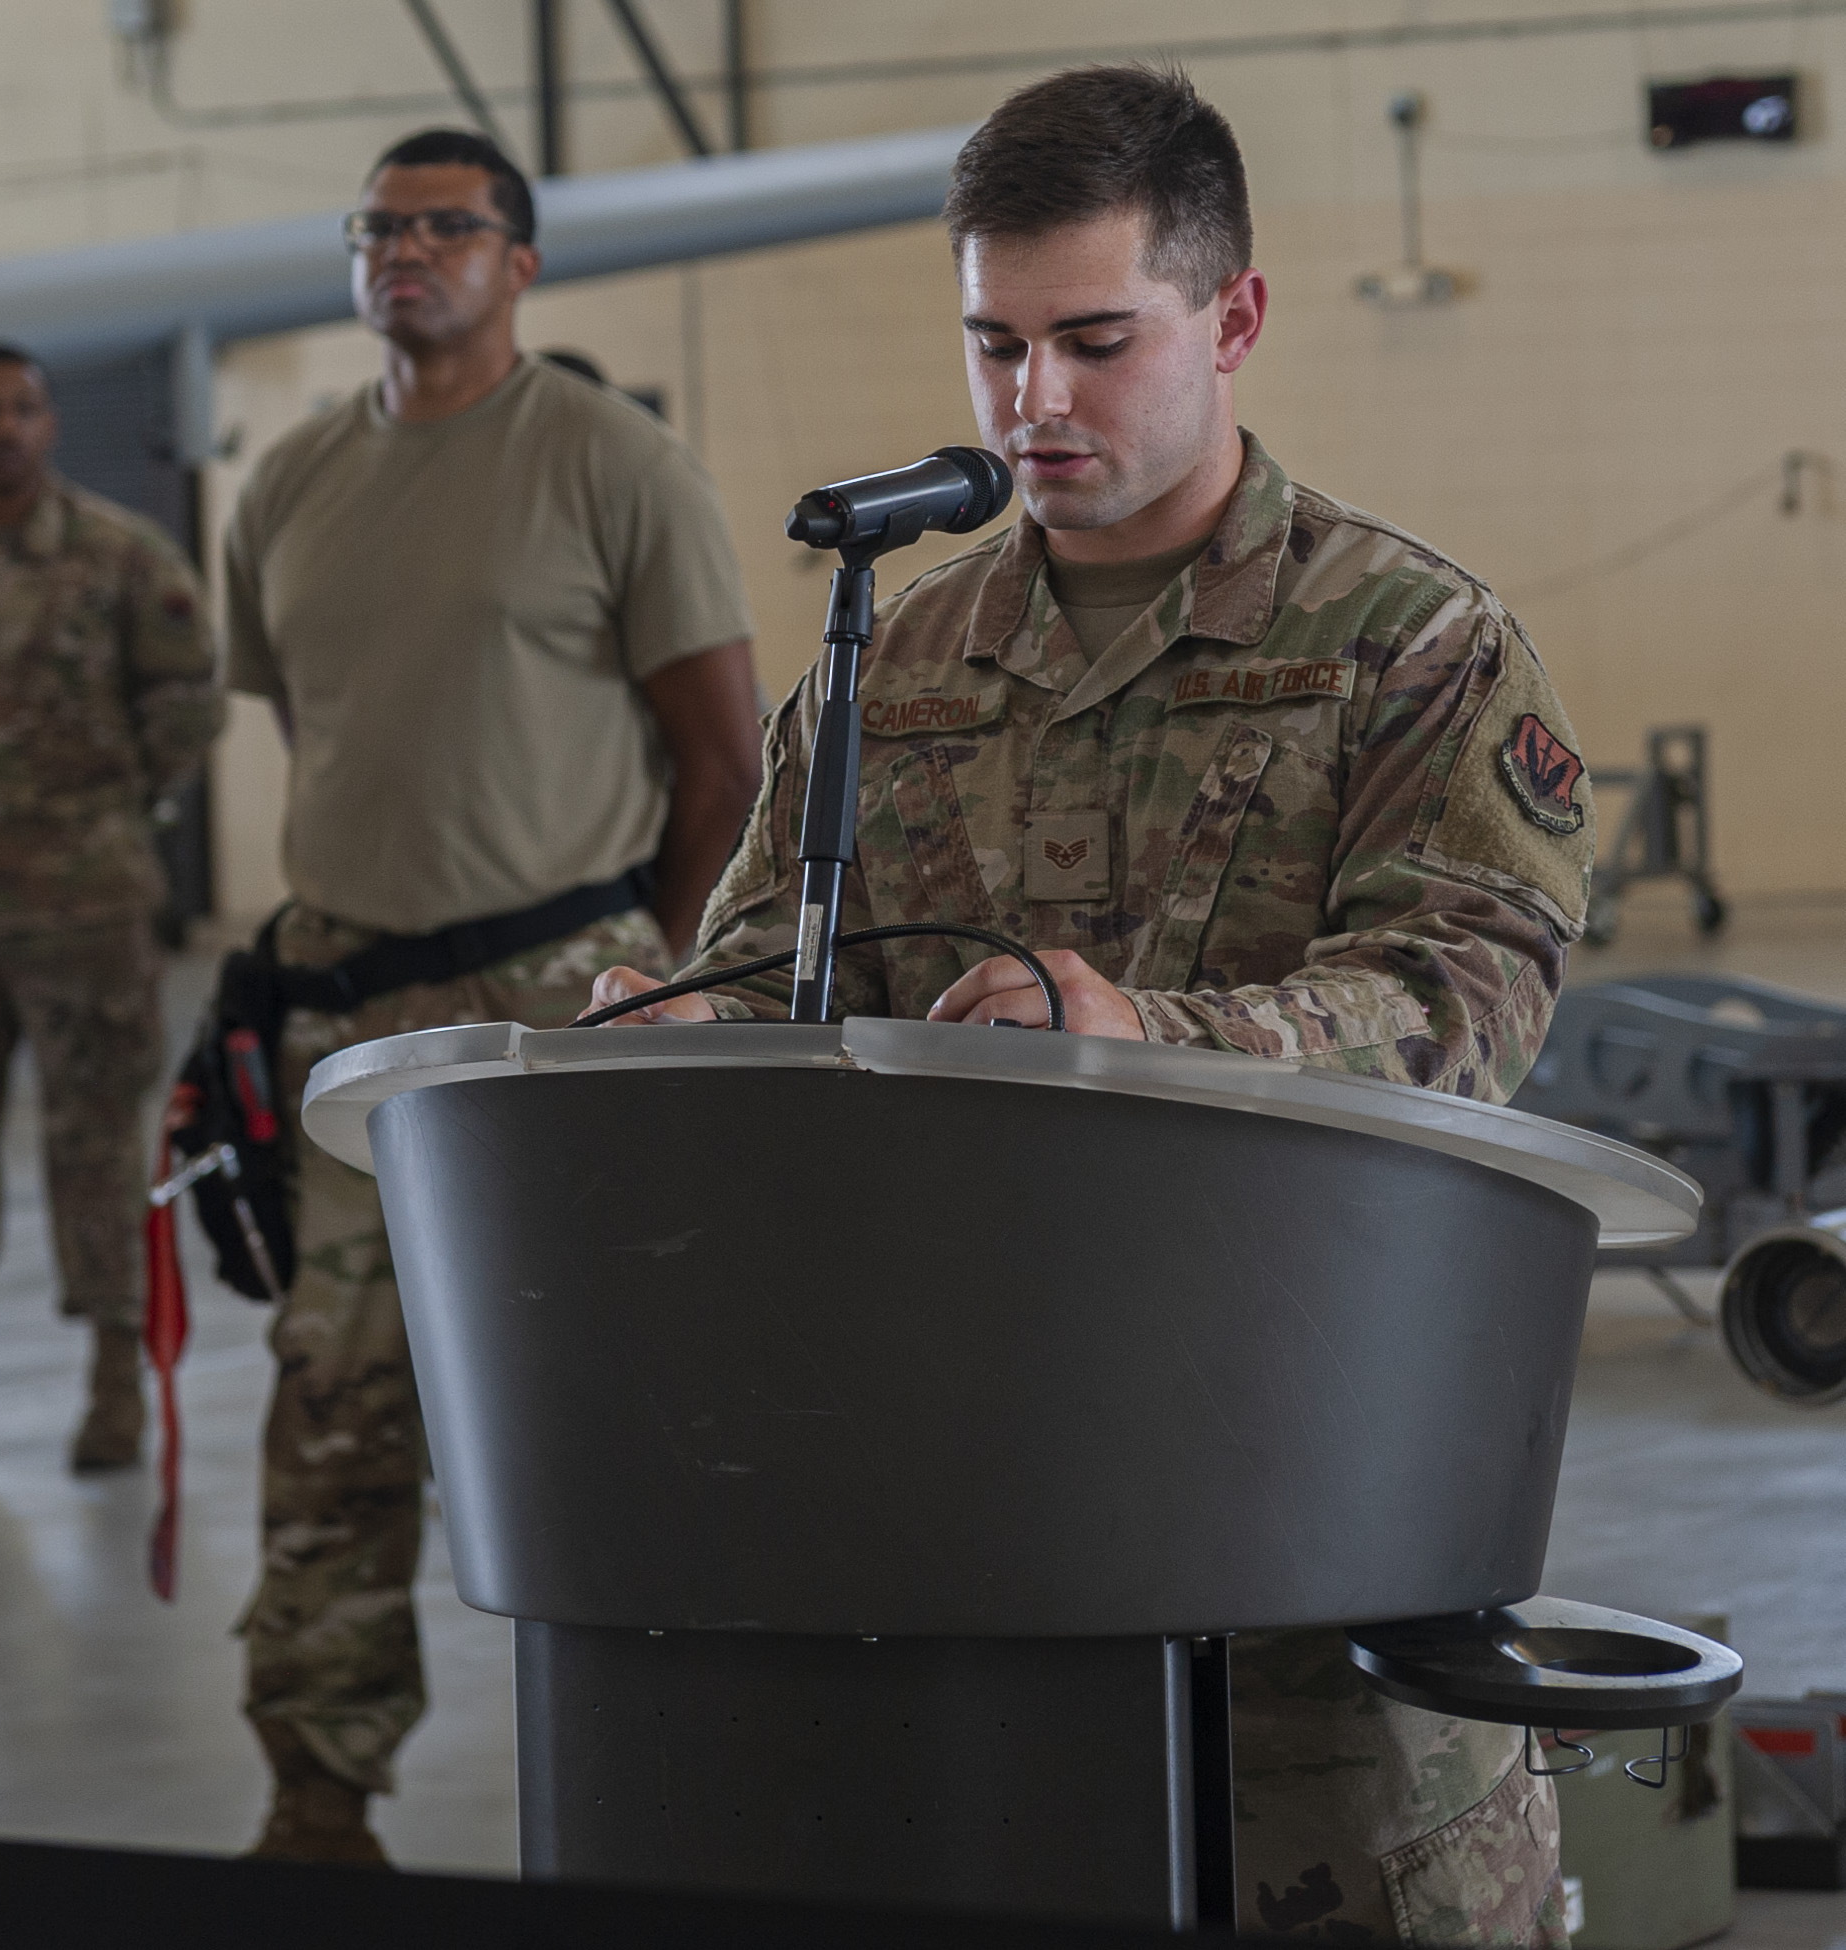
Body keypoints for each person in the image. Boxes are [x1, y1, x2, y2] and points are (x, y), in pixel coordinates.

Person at [592, 67, 1591, 1946]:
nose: (1032, 400)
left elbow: (1465, 1003)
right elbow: (777, 977)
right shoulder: (890, 663)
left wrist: (1150, 1039)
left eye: (1094, 341)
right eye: (995, 344)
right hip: (960, 1525)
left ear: (1234, 317)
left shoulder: (1408, 647)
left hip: (1300, 1507)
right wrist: (685, 1040)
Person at [222, 127, 766, 1862]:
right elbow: (322, 729)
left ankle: (661, 1784)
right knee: (334, 1405)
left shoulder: (613, 461)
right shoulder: (288, 483)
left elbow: (724, 764)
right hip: (348, 1017)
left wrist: (649, 976)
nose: (405, 251)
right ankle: (317, 1799)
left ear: (520, 263)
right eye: (378, 228)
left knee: (603, 1400)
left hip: (559, 1003)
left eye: (447, 227)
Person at [0, 342, 220, 1472]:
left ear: (48, 422)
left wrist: (105, 805)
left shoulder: (121, 556)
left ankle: (116, 1381)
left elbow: (188, 704)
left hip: (87, 908)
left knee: (98, 1151)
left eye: (22, 409)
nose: (5, 429)